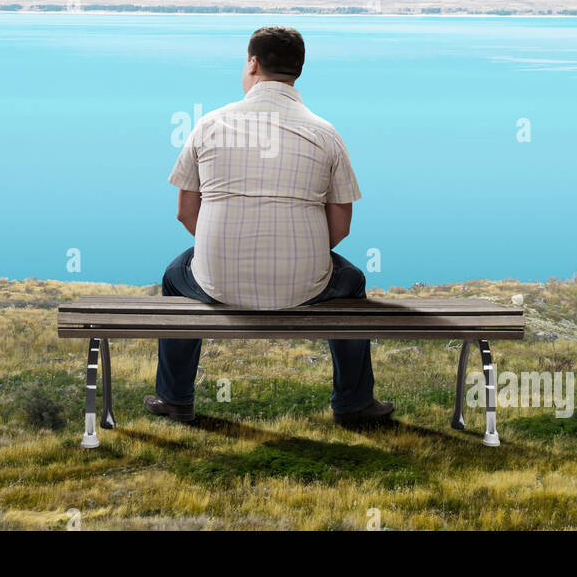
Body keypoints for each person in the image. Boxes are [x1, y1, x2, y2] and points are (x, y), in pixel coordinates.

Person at [144, 26, 393, 427]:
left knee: (176, 275)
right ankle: (353, 403)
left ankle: (175, 400)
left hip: (216, 283)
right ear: (299, 70)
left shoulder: (209, 124)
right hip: (306, 287)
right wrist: (307, 253)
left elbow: (185, 212)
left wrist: (218, 248)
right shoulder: (326, 133)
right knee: (353, 280)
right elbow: (341, 225)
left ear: (253, 64)